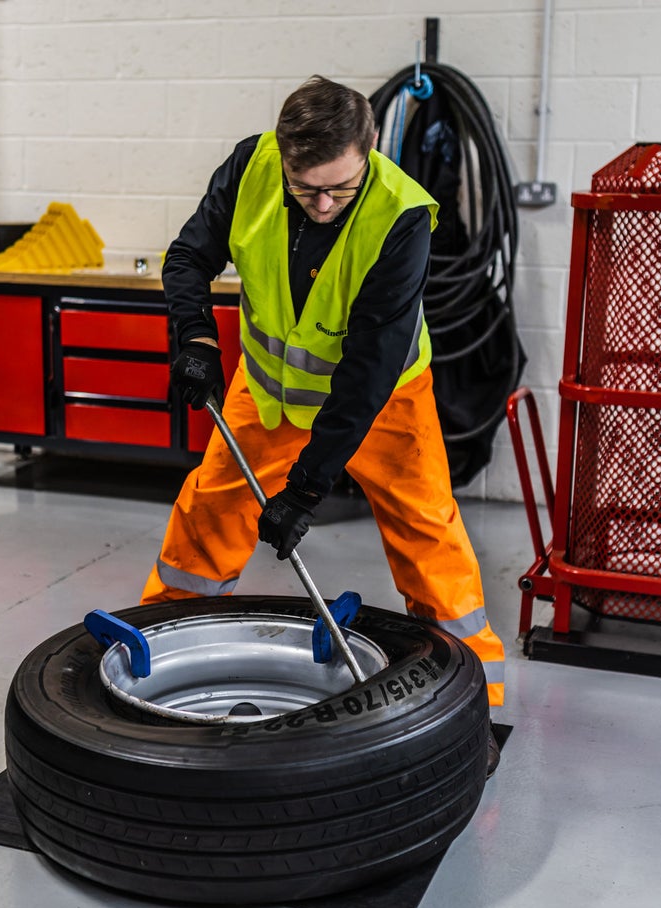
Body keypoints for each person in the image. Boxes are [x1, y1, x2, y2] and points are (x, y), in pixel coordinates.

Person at [140, 76, 505, 765]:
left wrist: (305, 490)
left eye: (341, 187)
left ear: (371, 147)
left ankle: (472, 707)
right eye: (306, 190)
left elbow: (367, 372)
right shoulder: (251, 168)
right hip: (269, 391)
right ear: (283, 156)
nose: (325, 204)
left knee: (428, 534)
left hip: (385, 399)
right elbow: (189, 257)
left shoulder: (401, 216)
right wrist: (196, 339)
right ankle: (156, 650)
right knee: (209, 512)